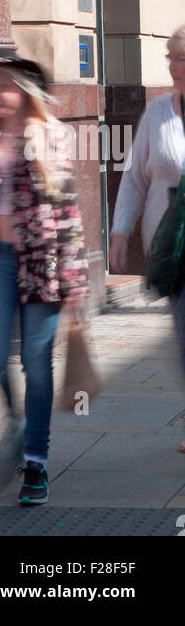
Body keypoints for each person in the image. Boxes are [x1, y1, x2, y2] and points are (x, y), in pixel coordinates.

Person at [0, 54, 89, 505]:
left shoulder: (51, 134)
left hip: (44, 263)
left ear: (22, 88)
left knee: (36, 364)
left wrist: (75, 280)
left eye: (0, 86)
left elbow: (68, 211)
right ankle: (16, 427)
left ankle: (36, 462)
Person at [109, 24, 185, 452]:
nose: (173, 66)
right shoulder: (157, 114)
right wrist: (120, 230)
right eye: (170, 57)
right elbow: (136, 179)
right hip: (172, 246)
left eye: (181, 58)